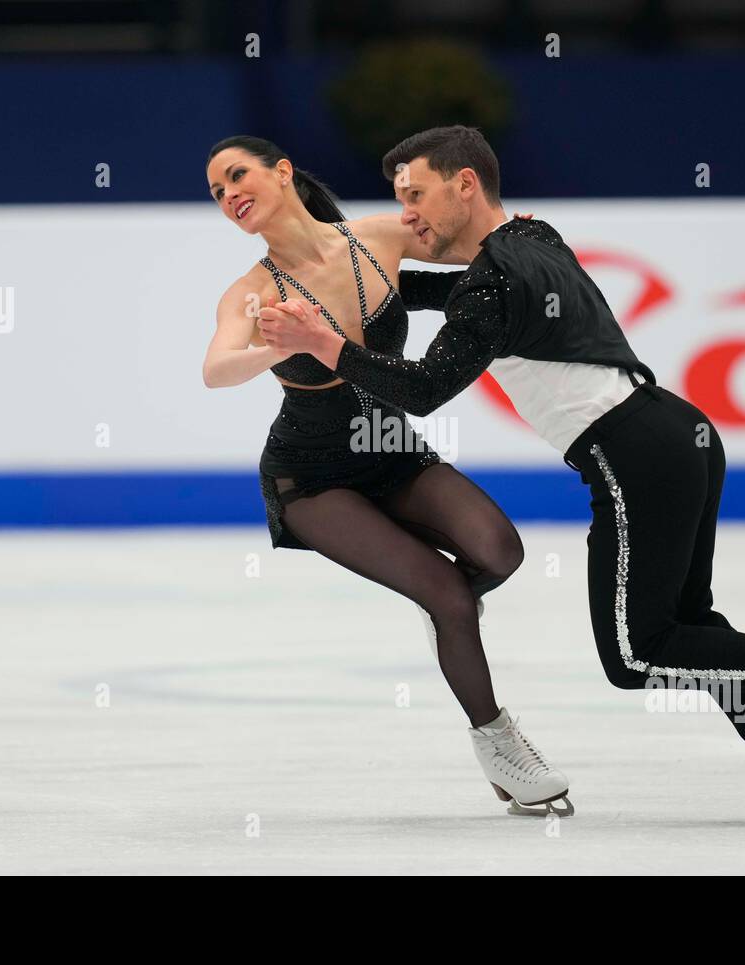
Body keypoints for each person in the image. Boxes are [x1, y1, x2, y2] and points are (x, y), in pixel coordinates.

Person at [257, 125, 745, 818]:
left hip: (632, 453)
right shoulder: (534, 237)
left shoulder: (492, 288)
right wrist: (348, 278)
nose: (407, 215)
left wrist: (325, 345)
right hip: (682, 433)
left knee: (637, 654)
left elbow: (424, 387)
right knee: (691, 623)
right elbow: (437, 294)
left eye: (417, 195)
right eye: (400, 200)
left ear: (466, 184)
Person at [202, 135, 573, 816]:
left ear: (282, 172)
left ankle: (444, 611)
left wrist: (525, 244)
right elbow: (214, 368)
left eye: (236, 176)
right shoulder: (253, 294)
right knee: (451, 597)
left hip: (395, 454)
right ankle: (498, 742)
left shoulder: (377, 238)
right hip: (311, 479)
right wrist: (269, 346)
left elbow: (471, 256)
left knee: (500, 549)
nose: (228, 195)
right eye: (216, 191)